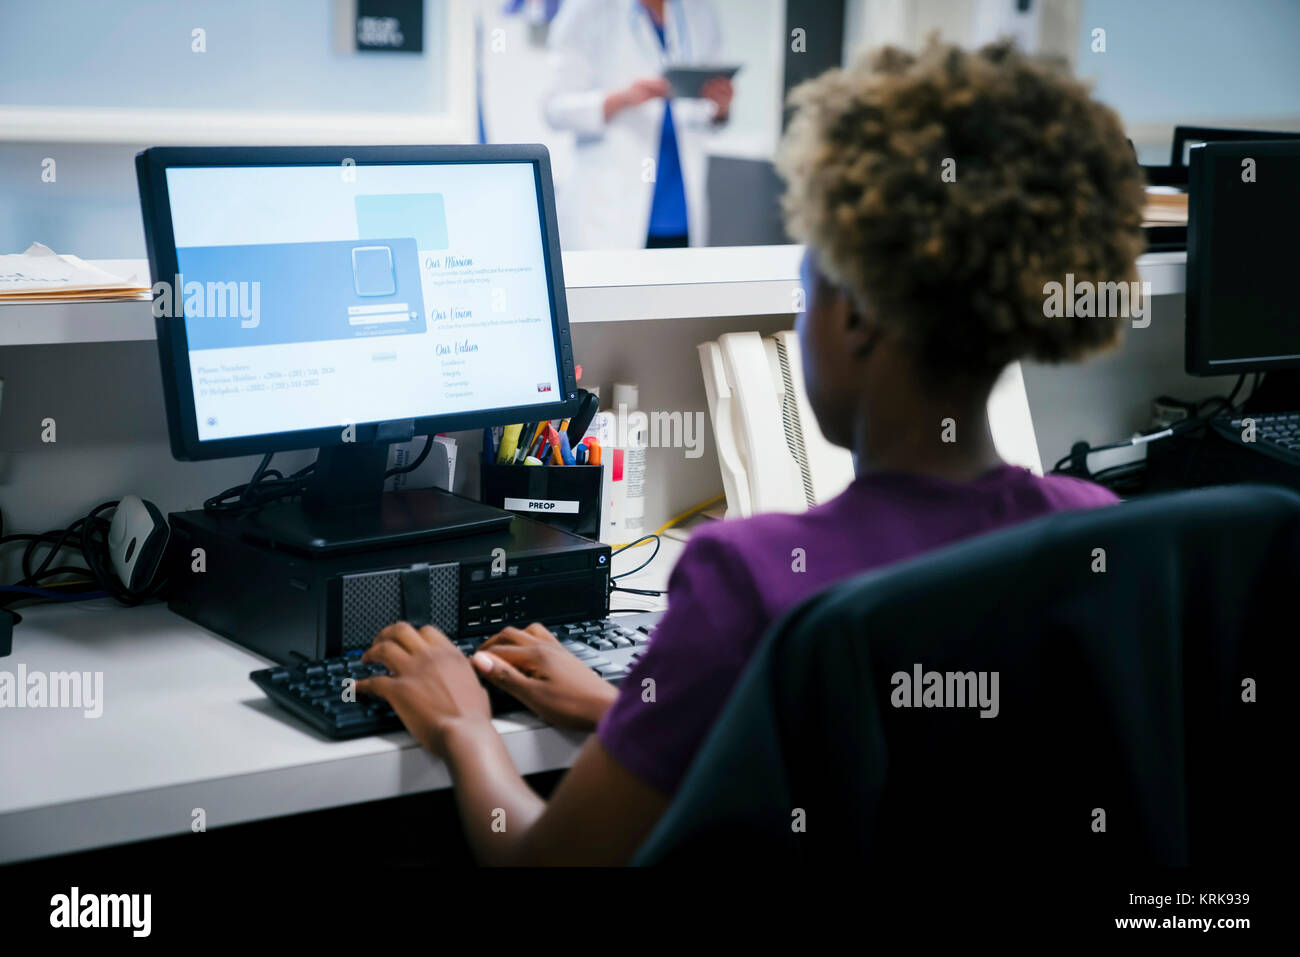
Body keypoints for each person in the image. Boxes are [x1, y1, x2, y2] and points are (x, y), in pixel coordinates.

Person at [356, 38, 1147, 865]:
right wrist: (619, 712)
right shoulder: (1097, 532)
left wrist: (460, 727)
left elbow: (544, 862)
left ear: (857, 318)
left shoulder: (755, 572)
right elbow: (895, 770)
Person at [542, 0, 733, 249]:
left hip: (680, 207)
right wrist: (623, 99)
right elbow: (555, 108)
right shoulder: (587, 10)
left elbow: (706, 116)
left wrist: (720, 108)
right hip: (610, 207)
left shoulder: (700, 11)